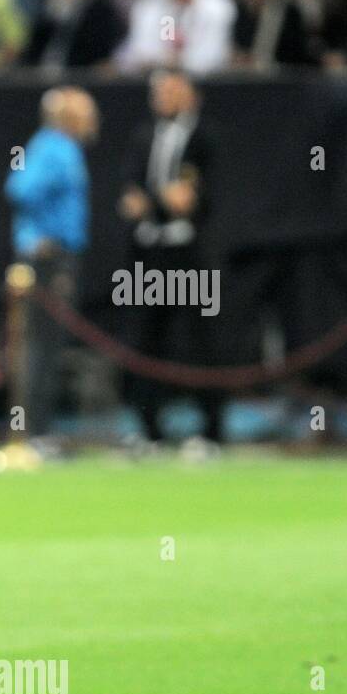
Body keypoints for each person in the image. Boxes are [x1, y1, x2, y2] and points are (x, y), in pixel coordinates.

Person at [118, 69, 225, 446]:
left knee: (201, 340)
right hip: (151, 252)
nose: (160, 96)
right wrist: (154, 200)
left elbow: (192, 199)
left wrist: (158, 201)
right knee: (147, 338)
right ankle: (149, 430)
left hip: (191, 251)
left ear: (190, 94)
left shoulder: (206, 136)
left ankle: (210, 430)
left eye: (169, 89)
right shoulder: (145, 134)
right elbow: (133, 195)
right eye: (156, 90)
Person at [4, 86, 99, 445]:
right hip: (48, 258)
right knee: (41, 347)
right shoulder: (53, 147)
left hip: (58, 256)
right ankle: (35, 433)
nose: (93, 120)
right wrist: (40, 235)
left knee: (48, 346)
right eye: (85, 112)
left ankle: (38, 429)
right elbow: (19, 189)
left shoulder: (61, 146)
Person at [119, 0, 237, 73]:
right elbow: (141, 51)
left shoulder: (218, 6)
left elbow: (213, 55)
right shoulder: (148, 7)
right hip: (156, 80)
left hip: (207, 82)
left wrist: (178, 62)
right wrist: (166, 60)